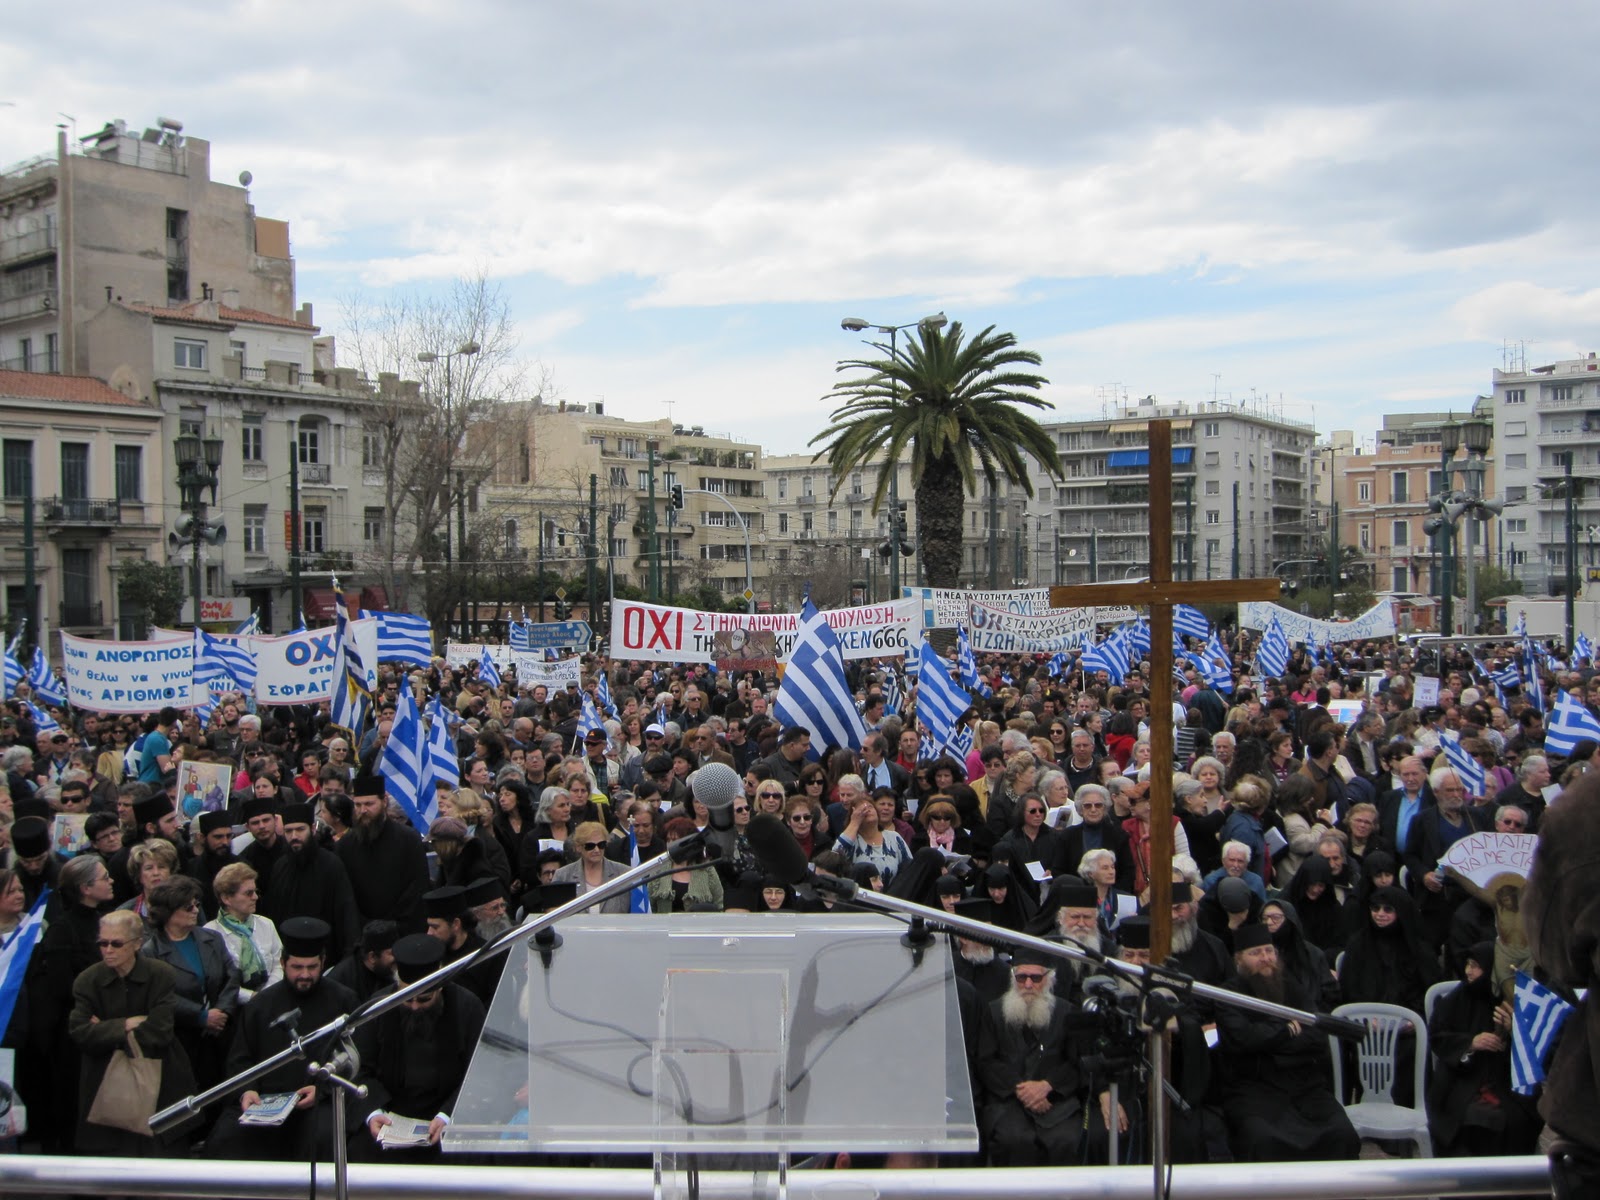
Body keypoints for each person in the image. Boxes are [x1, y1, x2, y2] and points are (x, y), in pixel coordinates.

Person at [203, 917, 360, 1162]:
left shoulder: (343, 1001)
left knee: (321, 1137)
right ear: (283, 963)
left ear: (323, 962)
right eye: (297, 967)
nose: (305, 975)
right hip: (264, 1099)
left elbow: (354, 1058)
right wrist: (247, 1092)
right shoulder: (260, 1005)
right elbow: (240, 1059)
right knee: (225, 1139)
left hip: (320, 1100)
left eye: (312, 967)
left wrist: (321, 1091)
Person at [1215, 923, 1359, 1162]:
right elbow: (1245, 1039)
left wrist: (1271, 1044)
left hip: (1304, 1087)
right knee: (1261, 1139)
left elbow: (1315, 1037)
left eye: (1269, 951)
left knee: (1342, 1133)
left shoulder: (1292, 988)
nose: (1265, 958)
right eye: (1256, 953)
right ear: (1239, 959)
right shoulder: (1228, 995)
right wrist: (1287, 1030)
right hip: (1254, 1089)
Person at [68, 908, 197, 1156]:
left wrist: (105, 1029)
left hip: (159, 1078)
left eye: (116, 944)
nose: (108, 950)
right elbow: (80, 1032)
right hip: (106, 1086)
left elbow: (159, 1032)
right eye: (102, 943)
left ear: (137, 943)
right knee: (110, 1172)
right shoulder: (87, 980)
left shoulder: (160, 974)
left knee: (161, 1169)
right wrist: (127, 1024)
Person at [350, 933, 486, 1163]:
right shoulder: (379, 1007)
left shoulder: (467, 1006)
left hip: (447, 1114)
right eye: (407, 999)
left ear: (440, 987)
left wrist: (447, 1115)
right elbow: (361, 1071)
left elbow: (480, 1072)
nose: (414, 1007)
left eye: (424, 999)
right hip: (390, 1115)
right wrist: (374, 1113)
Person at [1425, 940, 1540, 1158]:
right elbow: (1438, 1035)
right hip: (1462, 1080)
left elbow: (1533, 1051)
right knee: (1467, 1117)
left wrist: (1513, 1028)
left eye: (1476, 966)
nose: (1469, 971)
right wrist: (1471, 1043)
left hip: (1505, 1081)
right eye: (1468, 964)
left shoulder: (1511, 998)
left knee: (1515, 1119)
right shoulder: (1458, 998)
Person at [976, 948, 1086, 1166]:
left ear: (1048, 979)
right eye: (1021, 977)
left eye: (1036, 978)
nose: (1028, 985)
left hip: (1055, 1103)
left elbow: (1076, 1061)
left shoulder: (1066, 1012)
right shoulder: (994, 1012)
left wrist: (1047, 1085)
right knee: (1013, 1140)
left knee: (1065, 1140)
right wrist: (1022, 1090)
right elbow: (986, 1061)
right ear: (1013, 978)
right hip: (1008, 1102)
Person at [140, 874, 241, 1090]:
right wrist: (202, 1016)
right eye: (188, 907)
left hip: (221, 1033)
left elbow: (231, 976)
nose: (195, 910)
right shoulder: (151, 952)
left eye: (196, 904)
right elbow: (160, 996)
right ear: (168, 912)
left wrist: (221, 1012)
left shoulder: (211, 938)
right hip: (183, 1040)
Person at [267, 801, 361, 963]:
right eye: (289, 831)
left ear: (312, 829)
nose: (294, 836)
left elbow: (346, 914)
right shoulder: (280, 867)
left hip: (326, 956)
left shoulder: (331, 865)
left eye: (300, 829)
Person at [335, 774, 430, 933]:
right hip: (363, 935)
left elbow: (417, 889)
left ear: (384, 802)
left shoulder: (408, 839)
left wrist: (392, 928)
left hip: (403, 933)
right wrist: (368, 928)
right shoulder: (345, 845)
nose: (363, 810)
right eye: (358, 805)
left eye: (369, 804)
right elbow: (345, 895)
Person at [204, 862, 283, 1004]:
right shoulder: (209, 933)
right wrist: (251, 997)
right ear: (226, 898)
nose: (255, 897)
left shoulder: (266, 924)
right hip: (230, 1009)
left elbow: (279, 964)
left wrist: (267, 994)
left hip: (271, 1001)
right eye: (248, 893)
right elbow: (217, 981)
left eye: (255, 891)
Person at [551, 820, 633, 913]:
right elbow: (554, 915)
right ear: (578, 847)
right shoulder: (563, 875)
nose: (597, 850)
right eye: (590, 846)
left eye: (601, 845)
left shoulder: (624, 873)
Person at [326, 919, 399, 1005]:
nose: (397, 957)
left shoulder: (386, 970)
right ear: (372, 957)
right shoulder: (342, 984)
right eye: (392, 953)